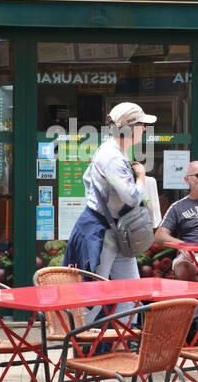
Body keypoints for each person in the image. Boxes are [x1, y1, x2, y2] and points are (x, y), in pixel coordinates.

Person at [64, 101, 155, 283]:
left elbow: (87, 180)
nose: (144, 129)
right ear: (129, 129)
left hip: (115, 231)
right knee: (94, 298)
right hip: (105, 233)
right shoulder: (113, 158)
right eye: (141, 125)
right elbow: (132, 197)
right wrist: (141, 177)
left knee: (131, 294)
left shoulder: (110, 151)